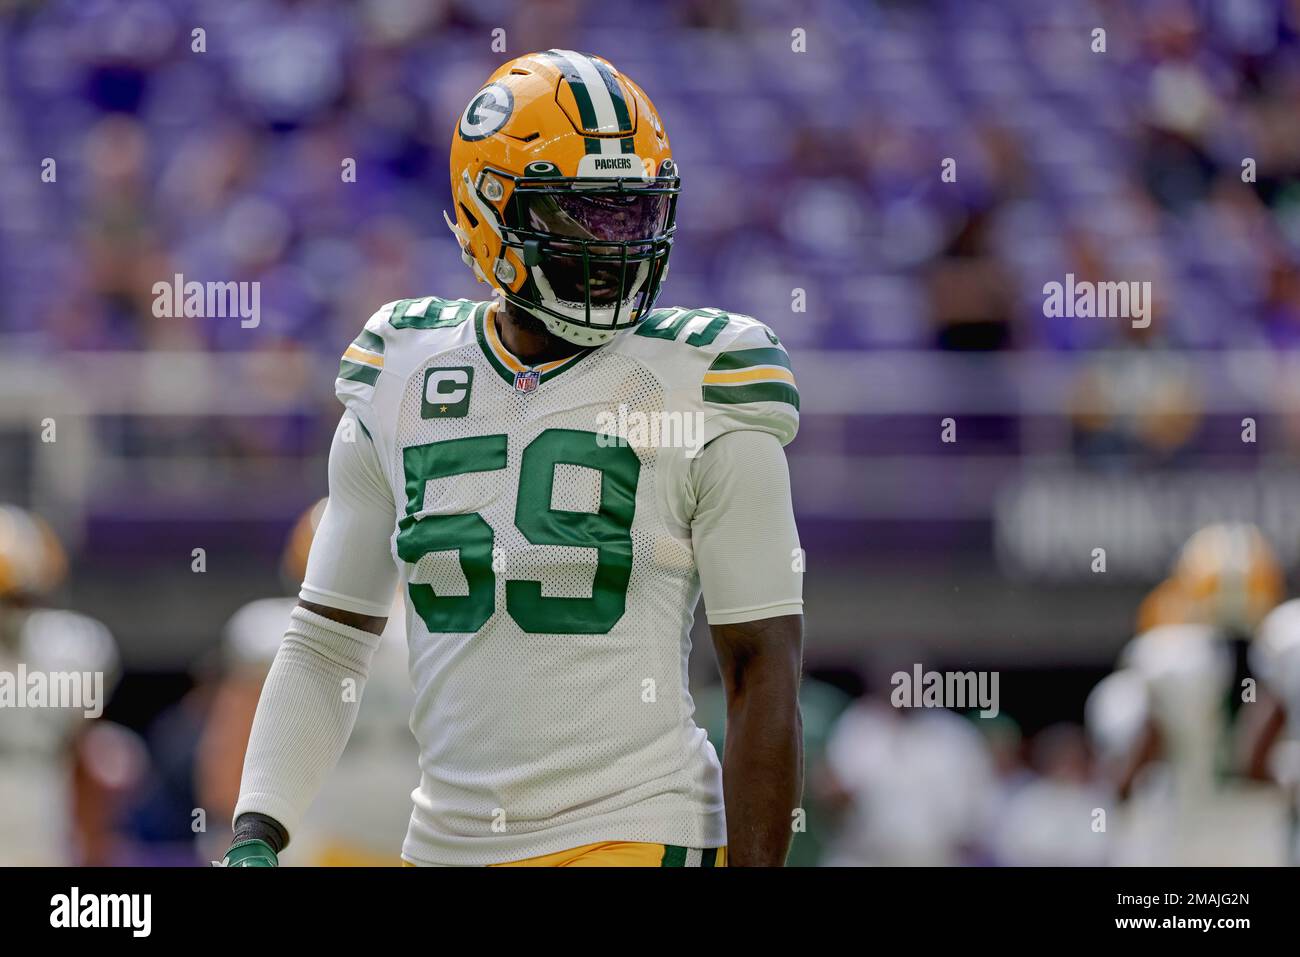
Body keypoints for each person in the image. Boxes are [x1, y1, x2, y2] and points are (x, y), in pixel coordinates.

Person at [223, 50, 804, 868]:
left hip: (636, 828)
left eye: (634, 214)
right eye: (584, 217)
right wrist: (258, 830)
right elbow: (327, 640)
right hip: (441, 844)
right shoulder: (402, 368)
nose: (618, 246)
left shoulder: (707, 379)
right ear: (486, 214)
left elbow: (762, 666)